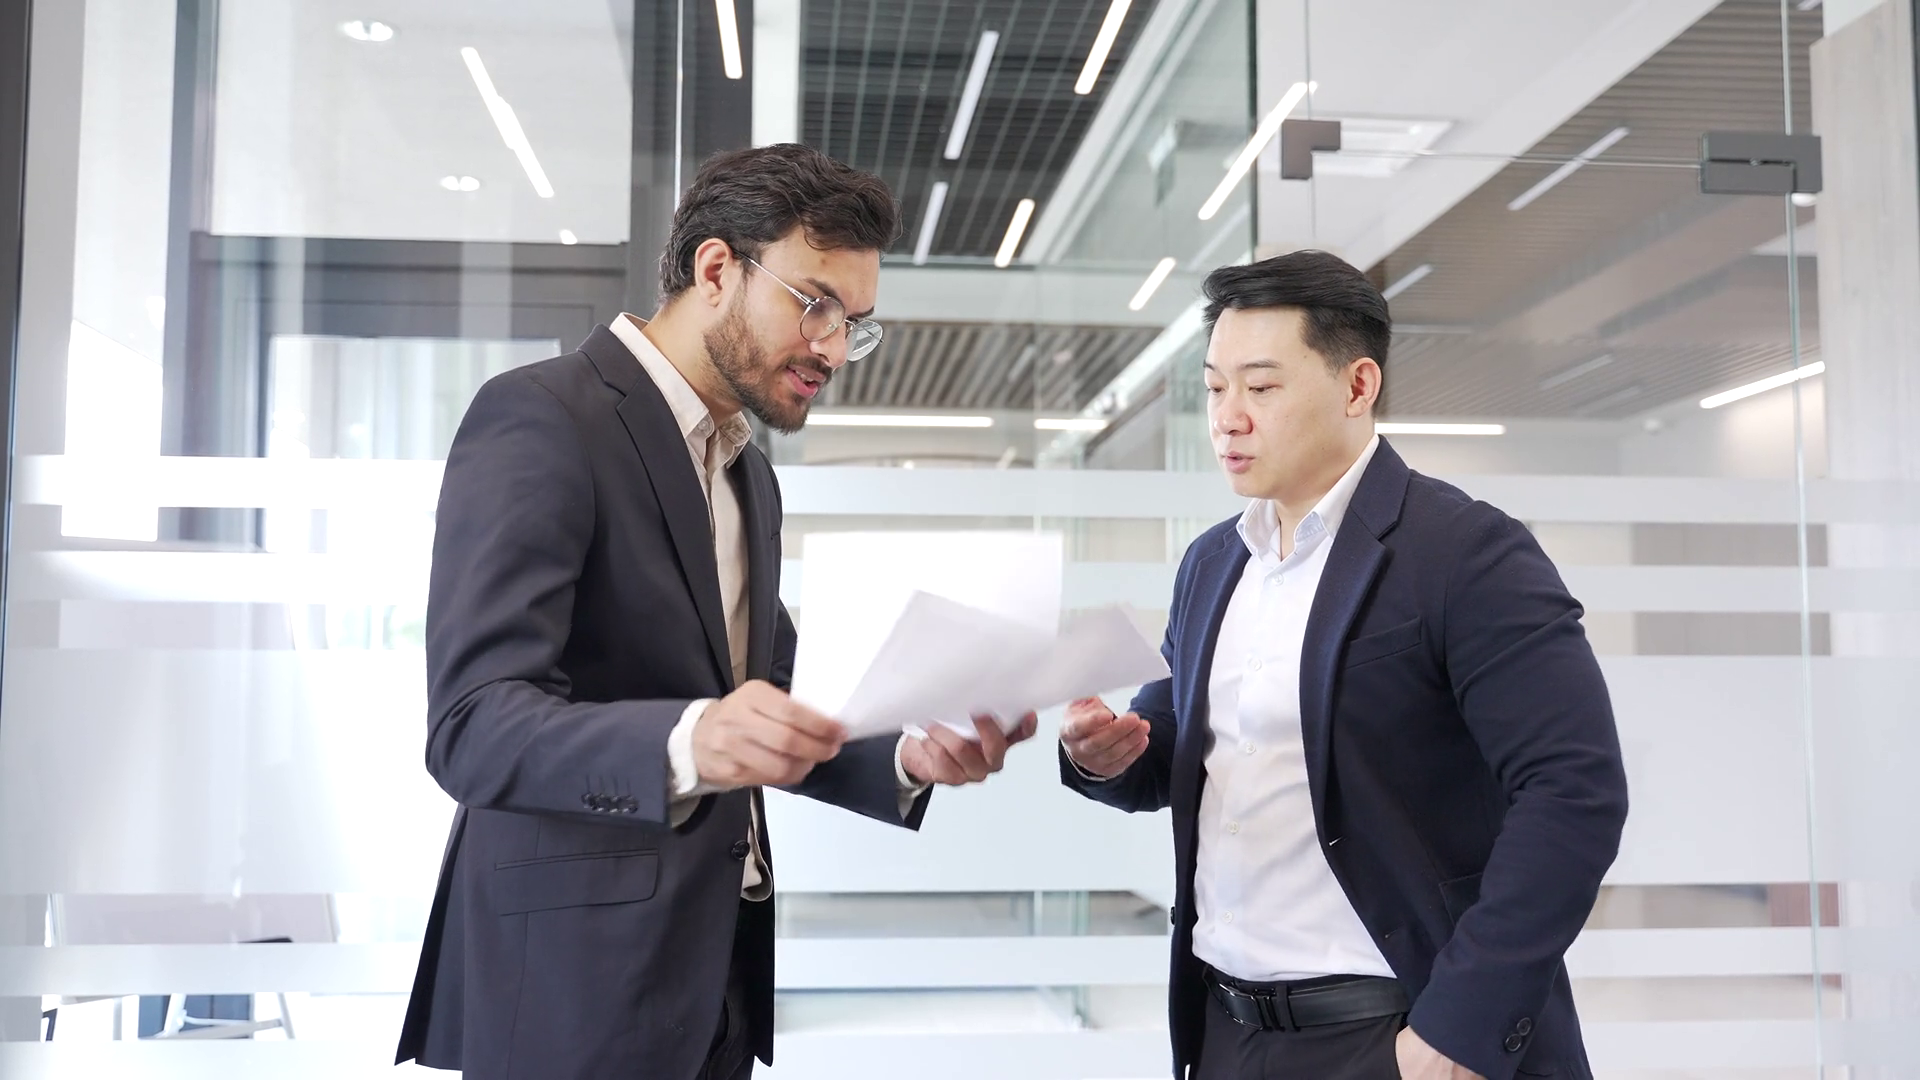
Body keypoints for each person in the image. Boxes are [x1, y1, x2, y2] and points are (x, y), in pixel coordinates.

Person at [396, 143, 1036, 1080]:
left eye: (853, 323)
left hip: (717, 980)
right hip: (574, 990)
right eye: (814, 302)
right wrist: (693, 742)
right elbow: (472, 724)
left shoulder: (747, 473)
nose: (831, 347)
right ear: (715, 270)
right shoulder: (543, 417)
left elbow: (769, 697)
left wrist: (905, 754)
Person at [1059, 250, 1628, 1080]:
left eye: (1261, 388)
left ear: (1358, 387)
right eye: (1215, 388)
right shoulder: (1214, 563)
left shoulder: (1465, 552)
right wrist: (1108, 753)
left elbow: (1575, 794)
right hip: (1224, 1031)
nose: (1228, 418)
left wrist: (1454, 1038)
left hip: (1392, 1035)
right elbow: (1175, 734)